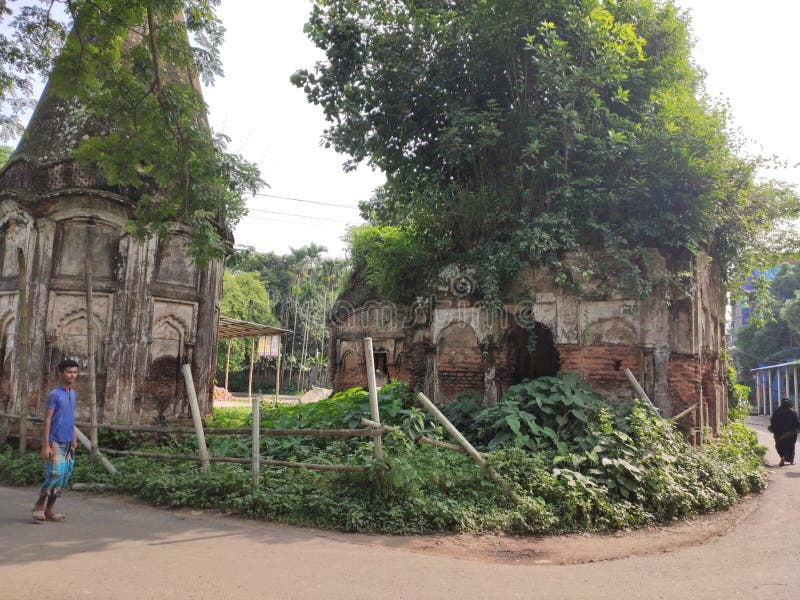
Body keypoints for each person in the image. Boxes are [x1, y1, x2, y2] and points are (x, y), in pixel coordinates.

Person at [32, 358, 79, 523]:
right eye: (69, 372)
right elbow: (47, 420)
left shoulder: (72, 393)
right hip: (55, 442)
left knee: (64, 477)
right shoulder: (54, 395)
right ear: (60, 373)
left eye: (74, 372)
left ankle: (50, 510)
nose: (72, 375)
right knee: (55, 474)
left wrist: (74, 439)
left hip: (68, 443)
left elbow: (70, 418)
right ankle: (39, 506)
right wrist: (45, 445)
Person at [769, 397, 800, 467]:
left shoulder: (777, 411)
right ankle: (791, 461)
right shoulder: (793, 412)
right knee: (791, 446)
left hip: (779, 433)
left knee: (779, 446)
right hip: (791, 433)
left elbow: (772, 420)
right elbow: (797, 422)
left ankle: (782, 456)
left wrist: (773, 429)